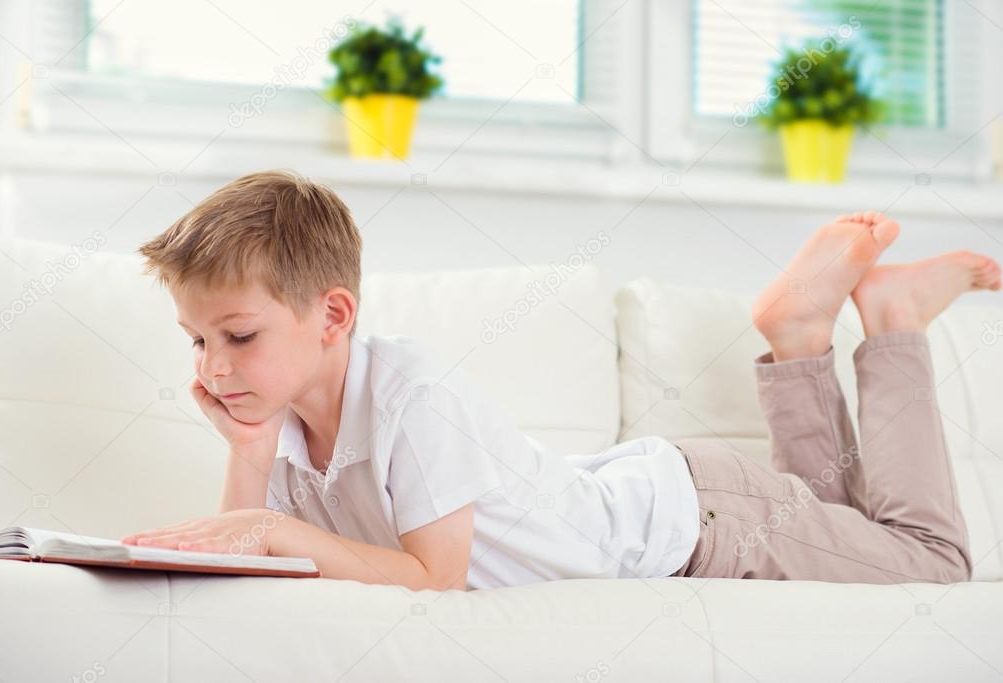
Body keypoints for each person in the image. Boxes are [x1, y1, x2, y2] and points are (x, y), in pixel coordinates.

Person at [120, 171, 1001, 590]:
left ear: (333, 315)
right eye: (196, 340)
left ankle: (893, 321)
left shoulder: (407, 396)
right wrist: (247, 456)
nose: (212, 366)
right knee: (846, 530)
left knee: (932, 564)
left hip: (700, 524)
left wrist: (274, 528)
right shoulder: (281, 422)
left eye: (237, 335)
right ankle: (801, 336)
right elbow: (246, 565)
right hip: (675, 497)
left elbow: (433, 578)